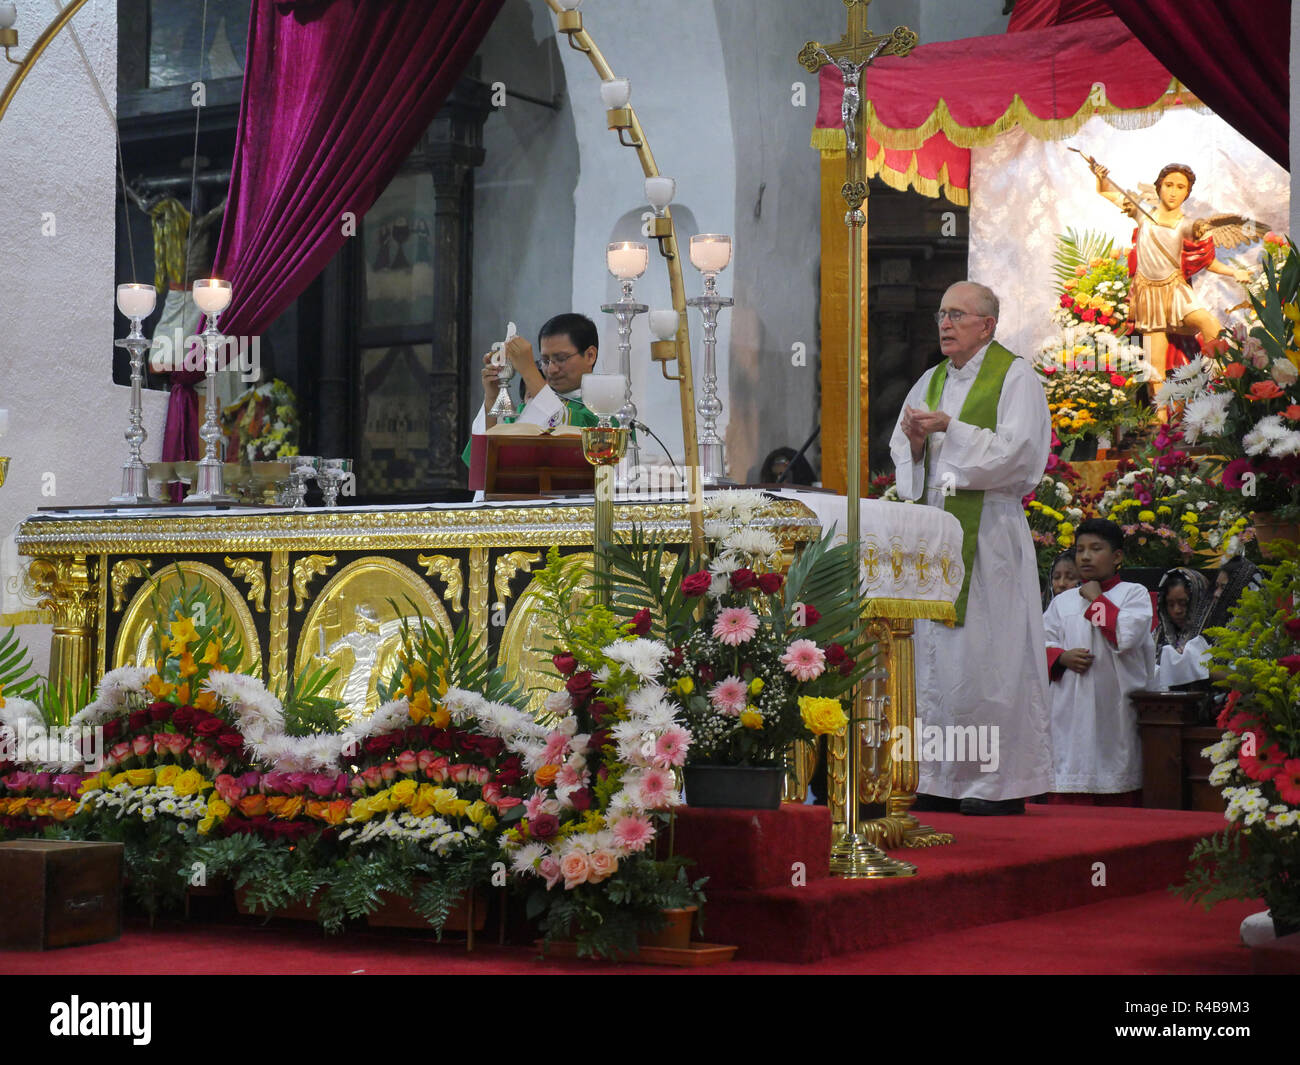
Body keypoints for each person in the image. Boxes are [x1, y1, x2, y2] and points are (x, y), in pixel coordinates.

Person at [889, 281, 1053, 815]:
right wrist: (916, 442)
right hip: (935, 529)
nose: (945, 323)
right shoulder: (930, 379)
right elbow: (905, 451)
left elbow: (1021, 456)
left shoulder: (1015, 376)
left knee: (990, 655)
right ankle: (935, 777)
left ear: (987, 324)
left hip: (989, 533)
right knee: (933, 658)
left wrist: (950, 430)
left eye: (957, 314)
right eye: (941, 313)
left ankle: (995, 784)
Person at [1091, 161, 1251, 385]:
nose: (1174, 191)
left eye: (1180, 187)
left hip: (1176, 291)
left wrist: (1235, 273)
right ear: (1159, 187)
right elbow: (1105, 191)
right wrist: (1100, 176)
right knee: (1154, 367)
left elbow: (1210, 262)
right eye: (1169, 185)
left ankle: (1224, 383)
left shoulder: (1189, 225)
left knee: (1209, 323)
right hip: (1148, 295)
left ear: (1187, 192)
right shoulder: (1142, 214)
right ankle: (1160, 417)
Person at [1043, 518, 1155, 804]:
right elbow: (1039, 644)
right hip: (1070, 712)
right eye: (1080, 550)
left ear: (1117, 556)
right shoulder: (1062, 602)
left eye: (1095, 548)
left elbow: (1125, 636)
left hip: (1113, 711)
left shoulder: (1133, 594)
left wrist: (1096, 600)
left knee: (1115, 783)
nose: (1086, 556)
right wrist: (1061, 657)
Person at [460, 313, 602, 471]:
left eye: (561, 358)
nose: (551, 369)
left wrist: (528, 370)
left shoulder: (606, 408)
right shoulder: (526, 411)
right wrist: (492, 397)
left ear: (590, 355)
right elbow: (481, 466)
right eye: (545, 361)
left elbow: (576, 438)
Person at [1153, 566, 1211, 688]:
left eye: (1183, 603)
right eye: (1170, 604)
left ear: (1198, 600)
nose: (1177, 610)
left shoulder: (1211, 635)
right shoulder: (1157, 636)